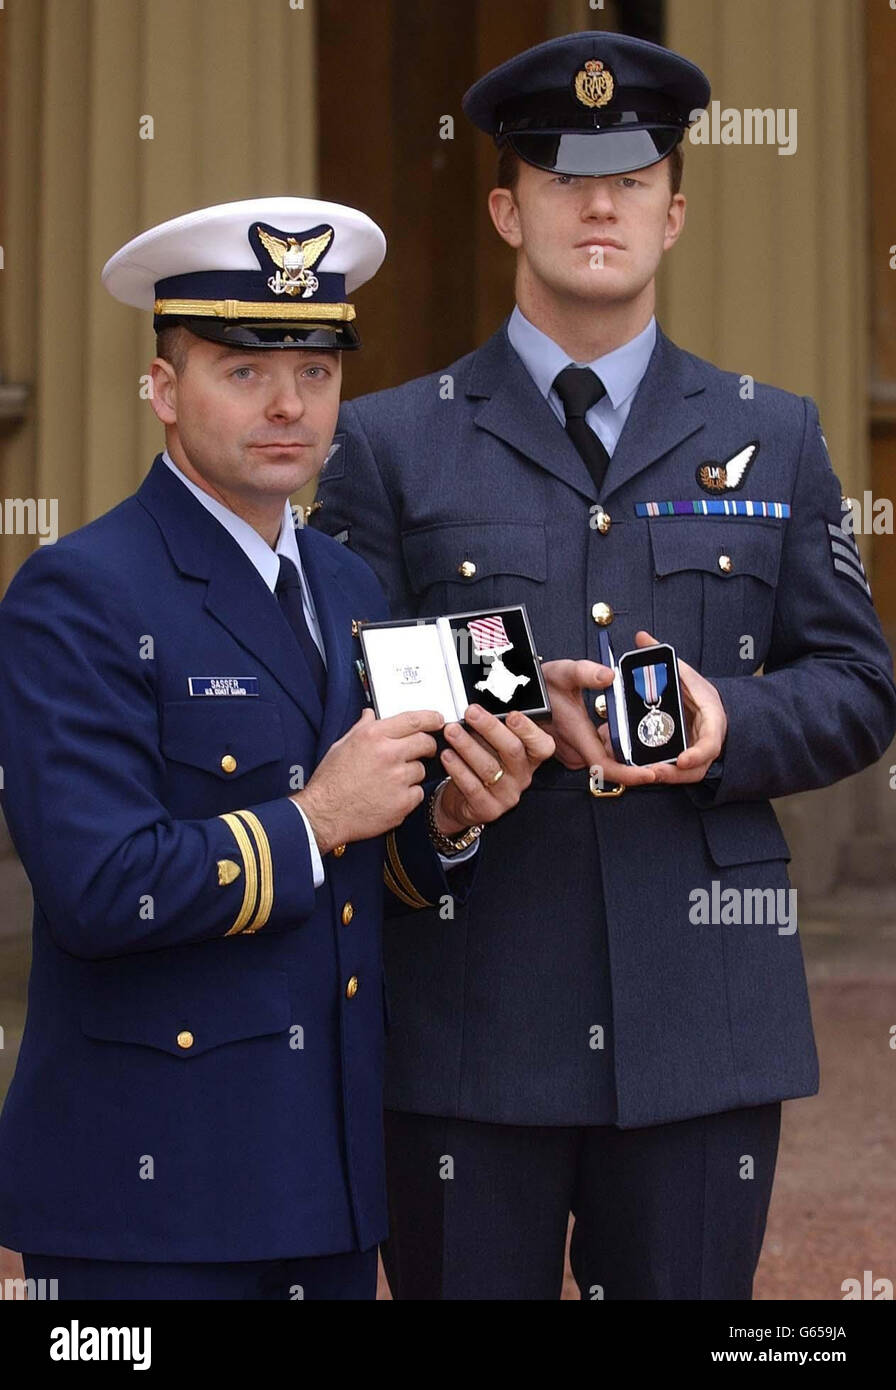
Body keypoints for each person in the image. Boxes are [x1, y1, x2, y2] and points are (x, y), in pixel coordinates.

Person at [310, 34, 896, 1300]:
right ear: (505, 205)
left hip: (700, 1021)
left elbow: (858, 684)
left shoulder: (772, 433)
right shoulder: (390, 443)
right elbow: (341, 687)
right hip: (471, 1017)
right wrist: (463, 763)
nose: (597, 202)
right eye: (562, 175)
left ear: (672, 213)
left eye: (631, 178)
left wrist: (724, 717)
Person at [0, 196, 553, 1301]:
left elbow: (353, 879)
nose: (288, 403)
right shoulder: (79, 592)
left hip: (327, 1172)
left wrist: (440, 823)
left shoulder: (347, 585)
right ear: (162, 390)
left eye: (315, 368)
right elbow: (97, 890)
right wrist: (312, 818)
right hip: (149, 1197)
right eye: (241, 371)